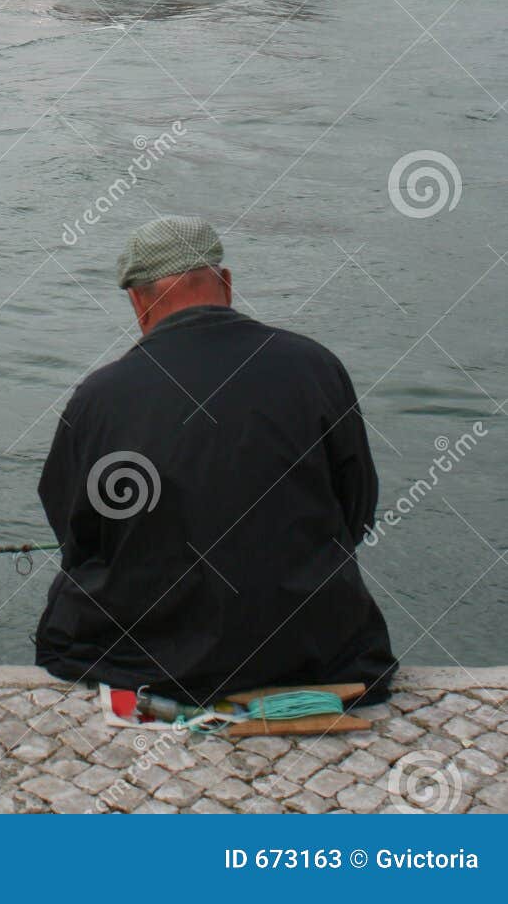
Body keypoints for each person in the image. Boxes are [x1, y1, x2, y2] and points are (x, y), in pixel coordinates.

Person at [35, 216, 395, 703]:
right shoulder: (316, 367)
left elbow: (76, 536)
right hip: (315, 650)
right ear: (226, 283)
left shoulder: (99, 398)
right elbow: (358, 512)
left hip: (147, 657)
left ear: (137, 302)